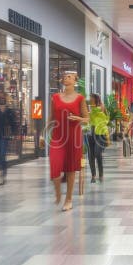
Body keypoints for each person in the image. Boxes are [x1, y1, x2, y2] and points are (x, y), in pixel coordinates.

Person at [49, 71, 89, 211]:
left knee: (71, 168)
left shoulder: (80, 98)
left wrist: (78, 119)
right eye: (65, 76)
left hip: (73, 137)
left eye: (70, 76)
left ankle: (69, 198)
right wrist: (43, 135)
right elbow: (51, 118)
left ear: (75, 80)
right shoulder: (55, 97)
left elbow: (87, 119)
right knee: (55, 165)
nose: (66, 78)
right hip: (58, 136)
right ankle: (58, 191)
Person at [86, 93, 108, 183]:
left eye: (91, 98)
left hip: (99, 133)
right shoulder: (88, 107)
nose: (90, 99)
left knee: (98, 153)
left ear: (95, 98)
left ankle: (101, 174)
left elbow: (105, 117)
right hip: (90, 132)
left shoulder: (101, 106)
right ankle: (93, 175)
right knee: (90, 155)